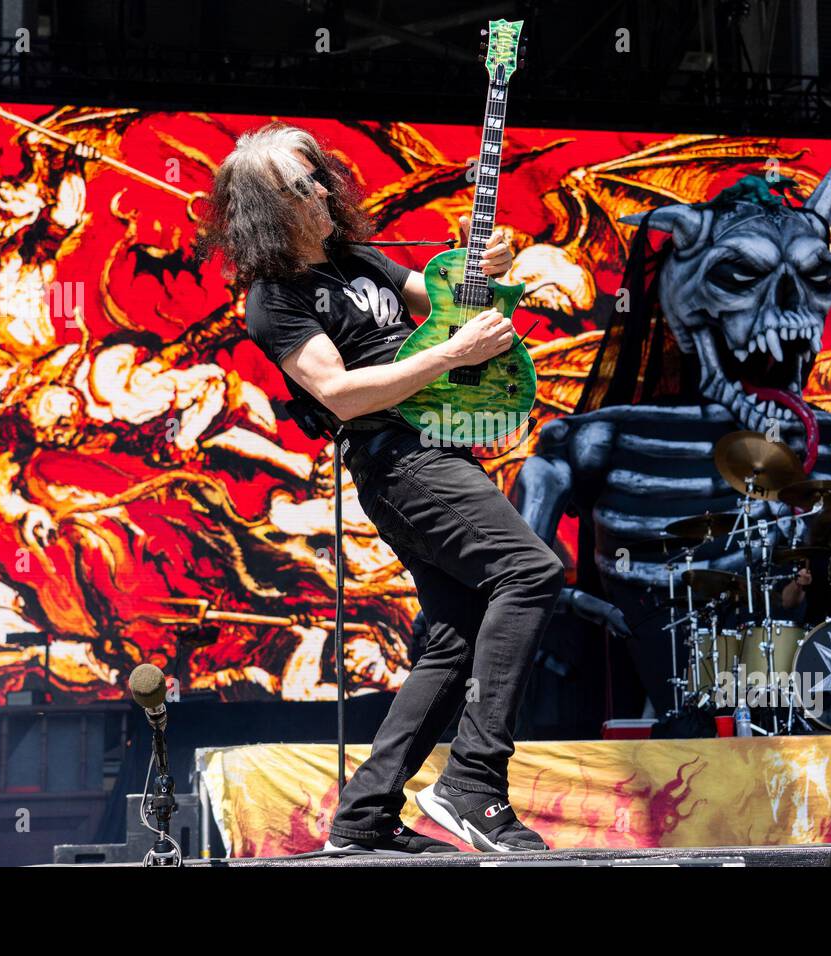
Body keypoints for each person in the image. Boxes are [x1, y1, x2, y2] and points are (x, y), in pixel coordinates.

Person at [197, 122, 564, 853]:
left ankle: (363, 816)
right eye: (306, 185)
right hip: (399, 461)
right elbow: (339, 393)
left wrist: (482, 267)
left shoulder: (353, 258)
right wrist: (453, 355)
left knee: (456, 636)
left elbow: (443, 300)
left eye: (321, 174)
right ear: (273, 208)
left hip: (438, 448)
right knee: (530, 570)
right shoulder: (275, 299)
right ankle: (473, 784)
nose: (325, 191)